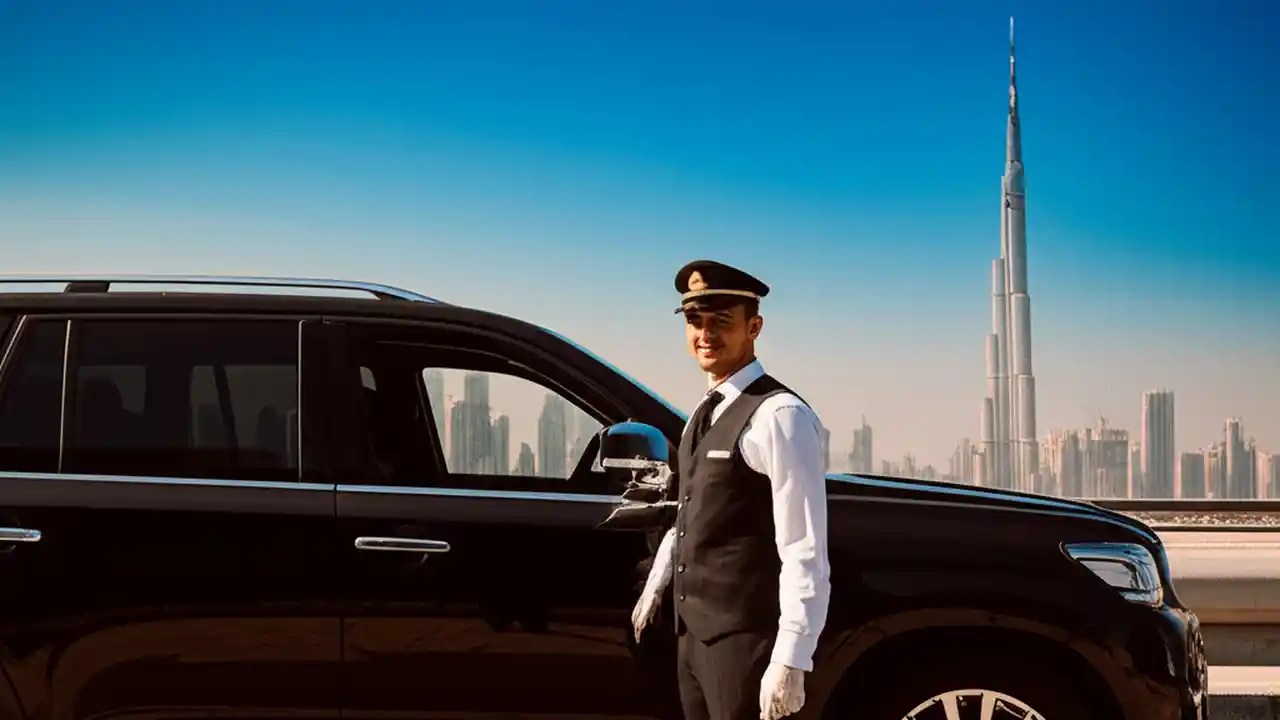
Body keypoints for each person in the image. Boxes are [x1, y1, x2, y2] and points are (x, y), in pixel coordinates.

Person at [632, 259, 831, 720]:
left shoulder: (780, 416)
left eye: (721, 321)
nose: (705, 334)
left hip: (744, 643)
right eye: (694, 320)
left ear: (754, 327)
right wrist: (660, 578)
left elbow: (805, 548)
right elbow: (698, 510)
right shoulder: (704, 412)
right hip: (692, 639)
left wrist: (792, 658)